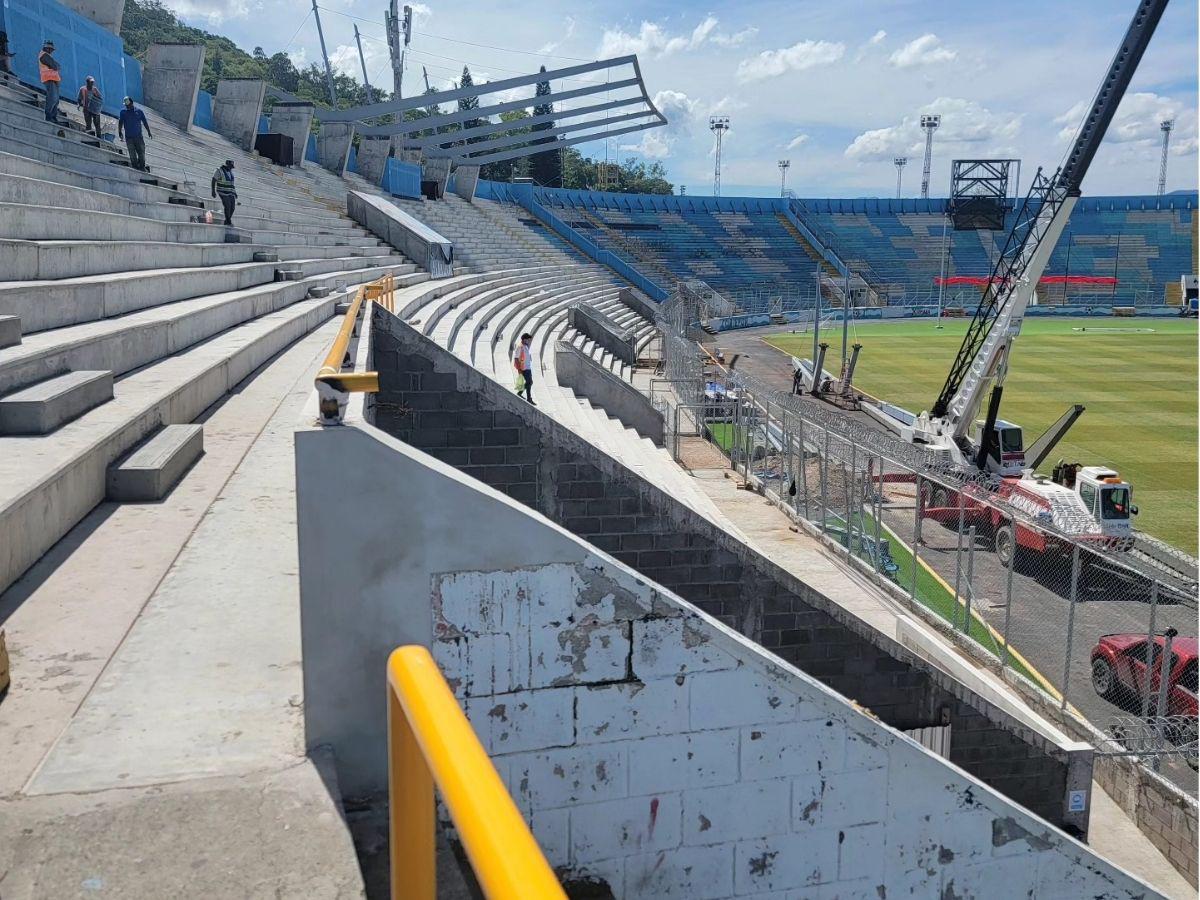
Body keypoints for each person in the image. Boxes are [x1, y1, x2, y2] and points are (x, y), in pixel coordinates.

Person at [117, 97, 152, 172]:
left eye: (128, 105)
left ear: (132, 103)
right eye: (126, 105)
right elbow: (120, 122)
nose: (127, 107)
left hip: (138, 137)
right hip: (129, 137)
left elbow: (144, 122)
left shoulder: (139, 112)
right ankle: (135, 168)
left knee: (141, 152)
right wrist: (119, 131)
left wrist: (149, 131)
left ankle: (142, 167)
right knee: (132, 154)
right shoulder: (123, 112)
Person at [38, 40, 60, 122]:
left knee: (56, 100)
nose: (51, 51)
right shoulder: (44, 55)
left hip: (54, 79)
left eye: (52, 49)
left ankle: (53, 117)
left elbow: (57, 66)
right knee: (52, 98)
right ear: (46, 48)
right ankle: (49, 116)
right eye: (50, 49)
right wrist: (56, 65)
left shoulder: (47, 55)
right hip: (49, 79)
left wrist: (56, 65)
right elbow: (55, 66)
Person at [211, 159, 237, 226]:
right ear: (227, 165)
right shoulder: (219, 170)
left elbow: (231, 184)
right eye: (230, 166)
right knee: (227, 205)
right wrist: (213, 191)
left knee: (233, 207)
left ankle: (227, 220)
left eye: (232, 167)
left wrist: (235, 192)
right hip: (222, 191)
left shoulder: (231, 172)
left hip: (230, 192)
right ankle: (228, 221)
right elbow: (213, 180)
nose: (231, 168)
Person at [513, 333, 535, 404]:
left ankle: (520, 393)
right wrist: (519, 369)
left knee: (529, 382)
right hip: (524, 368)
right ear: (524, 339)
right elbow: (516, 358)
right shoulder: (520, 347)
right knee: (529, 382)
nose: (529, 341)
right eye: (528, 339)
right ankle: (529, 398)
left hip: (528, 367)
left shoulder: (525, 346)